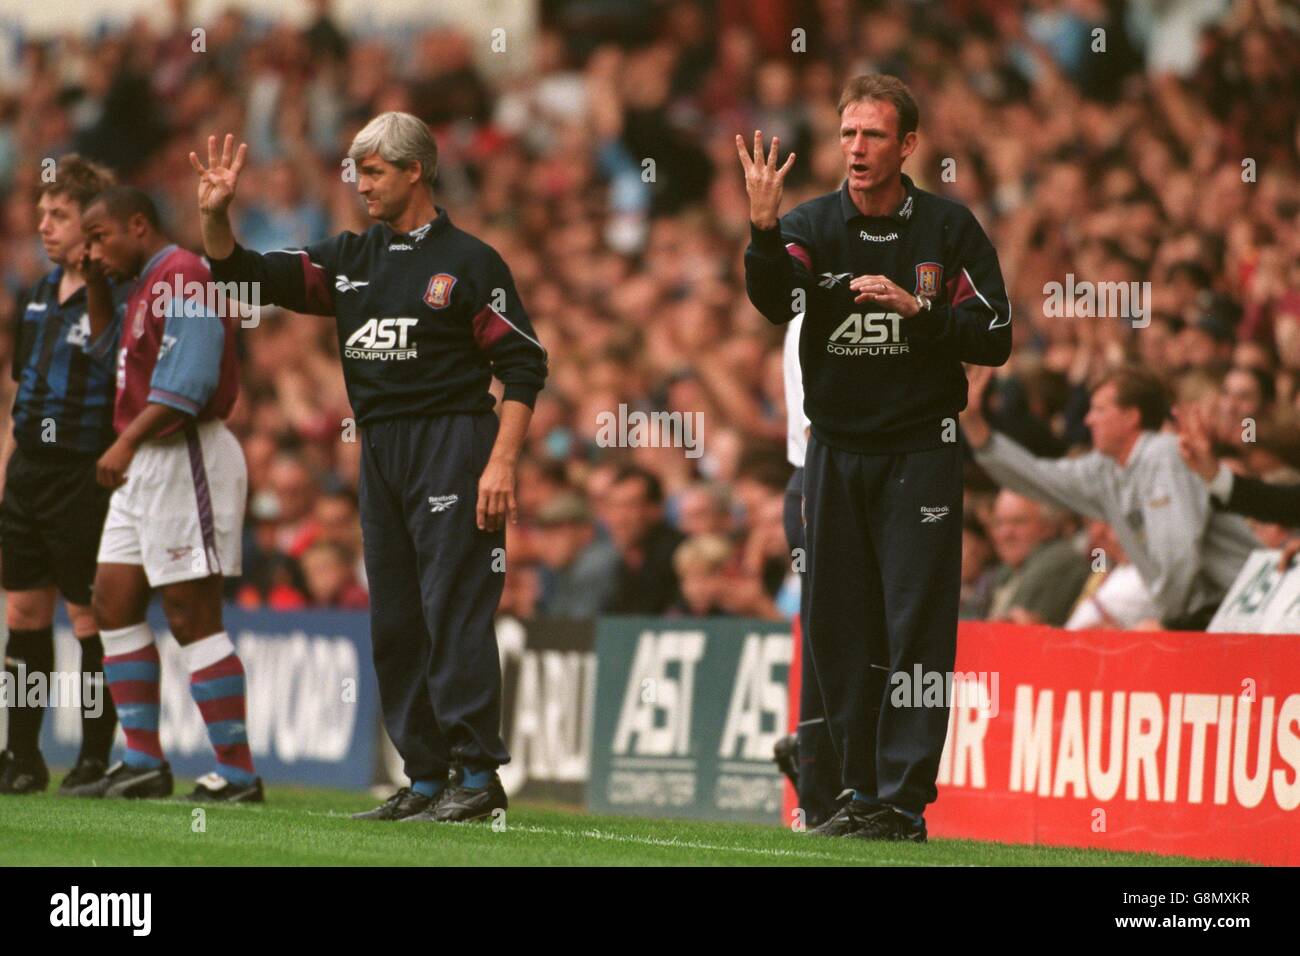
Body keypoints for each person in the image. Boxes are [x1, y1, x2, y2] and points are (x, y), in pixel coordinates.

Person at [193, 115, 547, 822]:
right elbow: (244, 278)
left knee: (454, 608)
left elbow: (524, 364)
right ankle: (423, 776)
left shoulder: (472, 263)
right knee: (394, 617)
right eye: (356, 171)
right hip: (381, 450)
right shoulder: (349, 258)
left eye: (375, 170)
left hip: (456, 442)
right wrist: (215, 216)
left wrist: (502, 461)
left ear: (416, 170)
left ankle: (477, 775)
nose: (360, 184)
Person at [741, 73, 1012, 841]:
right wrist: (761, 234)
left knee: (914, 627)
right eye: (848, 134)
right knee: (838, 626)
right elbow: (775, 298)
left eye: (873, 136)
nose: (857, 149)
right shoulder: (812, 223)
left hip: (920, 450)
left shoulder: (950, 231)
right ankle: (856, 791)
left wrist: (919, 310)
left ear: (908, 146)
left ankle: (902, 800)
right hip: (835, 452)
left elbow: (995, 335)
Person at [73, 186, 257, 802]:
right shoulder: (144, 283)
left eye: (100, 237)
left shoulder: (184, 272)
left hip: (185, 451)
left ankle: (237, 772)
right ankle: (144, 761)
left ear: (138, 224)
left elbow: (194, 378)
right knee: (112, 601)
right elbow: (106, 358)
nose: (92, 250)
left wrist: (125, 445)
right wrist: (96, 278)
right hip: (144, 459)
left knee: (189, 612)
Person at [0, 155, 124, 796]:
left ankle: (94, 757)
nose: (43, 225)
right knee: (23, 612)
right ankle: (21, 755)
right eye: (41, 213)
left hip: (84, 471)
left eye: (59, 215)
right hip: (29, 472)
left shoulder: (115, 294)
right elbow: (19, 387)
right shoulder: (38, 292)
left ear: (90, 223)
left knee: (87, 617)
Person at [962, 364, 1257, 628]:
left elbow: (1177, 555)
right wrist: (977, 430)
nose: (1088, 420)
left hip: (1238, 608)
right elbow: (1038, 479)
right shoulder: (1106, 470)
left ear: (1131, 417)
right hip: (1204, 617)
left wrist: (1170, 624)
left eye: (1100, 410)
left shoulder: (1164, 456)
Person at [986, 491, 1090, 626]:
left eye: (1018, 522)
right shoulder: (1009, 570)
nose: (1005, 533)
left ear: (1048, 526)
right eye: (999, 523)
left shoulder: (1055, 562)